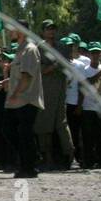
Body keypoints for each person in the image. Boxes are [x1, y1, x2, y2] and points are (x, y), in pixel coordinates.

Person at [3, 21, 43, 179]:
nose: (10, 32)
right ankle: (29, 159)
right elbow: (19, 75)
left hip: (26, 99)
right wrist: (6, 82)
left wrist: (15, 94)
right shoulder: (19, 50)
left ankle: (29, 166)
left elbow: (26, 76)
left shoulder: (29, 49)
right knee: (9, 130)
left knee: (24, 133)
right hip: (17, 99)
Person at [34, 20, 74, 170]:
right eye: (48, 29)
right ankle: (47, 157)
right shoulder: (38, 48)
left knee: (61, 124)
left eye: (53, 29)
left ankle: (69, 154)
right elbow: (38, 70)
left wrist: (60, 66)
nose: (51, 32)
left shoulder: (62, 47)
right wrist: (54, 66)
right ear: (42, 31)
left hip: (60, 89)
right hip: (44, 90)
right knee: (43, 123)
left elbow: (68, 65)